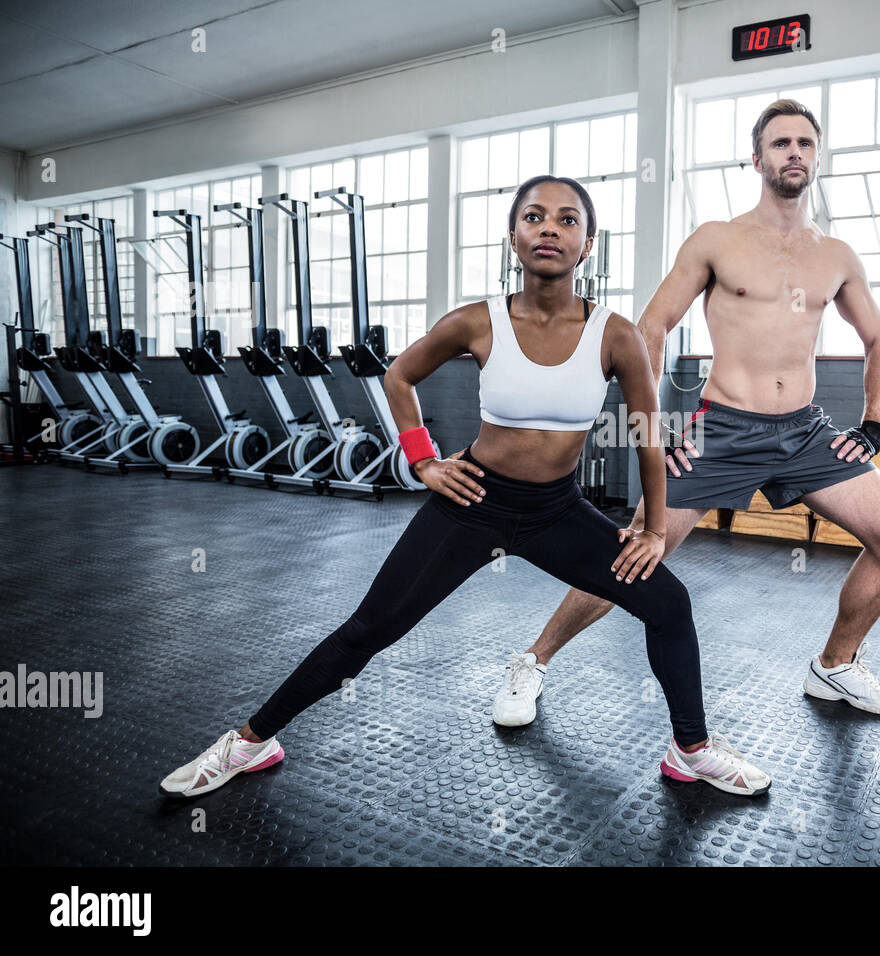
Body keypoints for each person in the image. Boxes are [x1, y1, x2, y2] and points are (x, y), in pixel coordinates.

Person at [161, 175, 770, 799]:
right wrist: (424, 462)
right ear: (514, 238)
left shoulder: (614, 335)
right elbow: (399, 377)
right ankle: (249, 743)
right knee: (370, 629)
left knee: (667, 602)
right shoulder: (476, 322)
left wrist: (649, 528)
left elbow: (646, 432)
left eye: (567, 220)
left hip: (556, 512)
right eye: (534, 217)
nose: (549, 229)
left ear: (587, 245)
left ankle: (690, 751)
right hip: (471, 502)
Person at [493, 101, 880, 727]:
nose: (794, 152)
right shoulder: (718, 239)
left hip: (803, 430)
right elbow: (652, 327)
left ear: (819, 159)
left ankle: (835, 666)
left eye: (805, 143)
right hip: (722, 429)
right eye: (780, 144)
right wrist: (659, 427)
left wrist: (873, 424)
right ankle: (531, 662)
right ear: (757, 159)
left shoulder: (837, 257)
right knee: (637, 553)